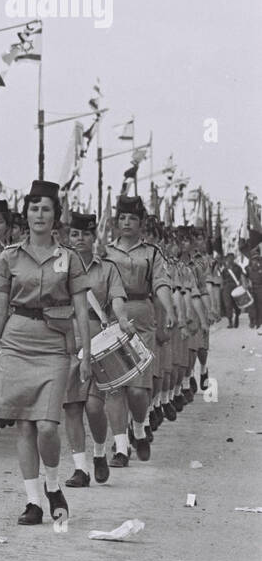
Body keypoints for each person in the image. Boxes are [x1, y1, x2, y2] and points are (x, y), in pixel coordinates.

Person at [0, 181, 92, 526]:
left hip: (55, 346)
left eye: (46, 209)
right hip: (17, 343)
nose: (39, 215)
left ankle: (53, 484)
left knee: (47, 425)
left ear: (55, 216)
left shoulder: (69, 258)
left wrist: (86, 353)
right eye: (33, 208)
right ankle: (32, 501)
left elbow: (80, 309)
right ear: (26, 215)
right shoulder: (9, 256)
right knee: (25, 426)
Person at [104, 195, 176, 465]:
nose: (126, 222)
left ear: (141, 222)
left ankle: (139, 427)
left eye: (132, 218)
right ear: (115, 221)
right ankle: (121, 447)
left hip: (141, 318)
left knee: (137, 388)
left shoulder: (152, 253)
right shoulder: (106, 252)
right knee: (114, 388)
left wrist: (168, 309)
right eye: (122, 217)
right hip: (110, 320)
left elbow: (160, 284)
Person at [62, 213, 131, 487]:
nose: (79, 240)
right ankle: (80, 468)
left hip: (100, 342)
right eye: (75, 235)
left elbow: (116, 299)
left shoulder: (107, 269)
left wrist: (122, 318)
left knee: (93, 407)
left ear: (94, 238)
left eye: (85, 235)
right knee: (71, 406)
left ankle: (100, 452)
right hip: (67, 339)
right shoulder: (60, 267)